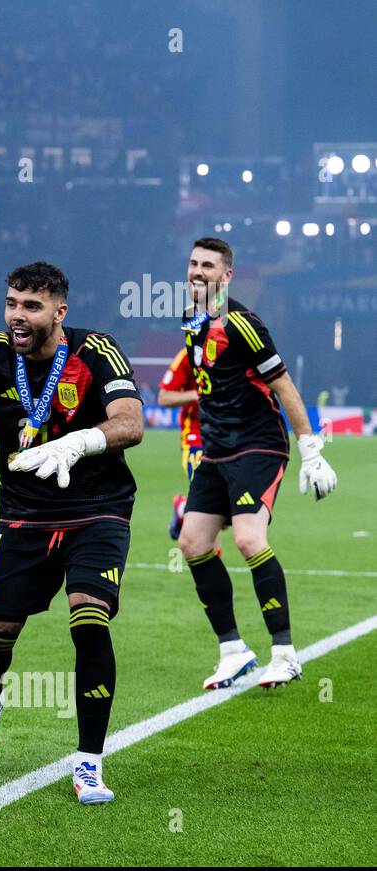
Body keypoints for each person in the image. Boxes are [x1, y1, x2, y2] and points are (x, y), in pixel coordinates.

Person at [0, 261, 143, 805]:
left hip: (97, 508)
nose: (18, 315)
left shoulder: (96, 353)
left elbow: (130, 423)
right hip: (24, 515)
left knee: (88, 618)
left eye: (31, 306)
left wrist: (77, 443)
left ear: (60, 312)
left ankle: (88, 762)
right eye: (12, 303)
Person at [173, 237, 337, 690]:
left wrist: (311, 450)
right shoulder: (192, 320)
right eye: (193, 263)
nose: (197, 271)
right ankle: (233, 651)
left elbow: (283, 385)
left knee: (248, 539)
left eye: (208, 265)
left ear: (227, 276)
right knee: (191, 542)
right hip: (218, 450)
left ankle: (284, 655)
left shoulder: (242, 323)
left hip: (258, 445)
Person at [157, 347, 203, 539]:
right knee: (209, 511)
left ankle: (183, 507)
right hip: (196, 438)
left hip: (230, 438)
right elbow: (164, 397)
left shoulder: (235, 350)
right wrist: (198, 395)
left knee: (224, 513)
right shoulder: (188, 355)